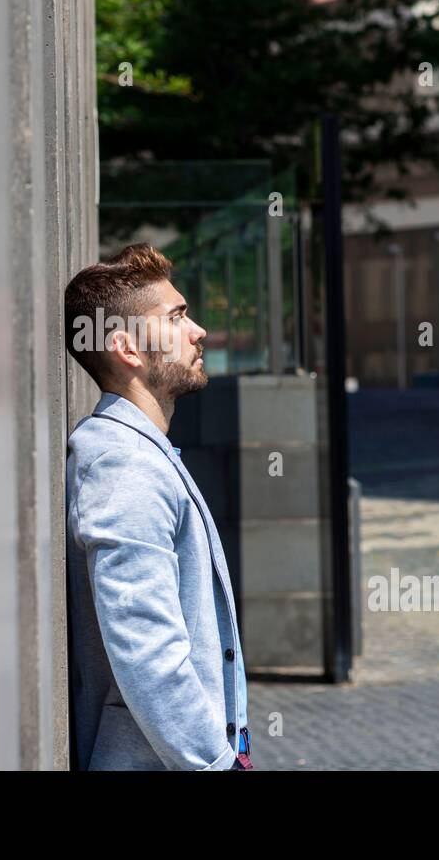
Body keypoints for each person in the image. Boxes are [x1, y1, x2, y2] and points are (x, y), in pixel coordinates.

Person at [64, 243, 252, 771]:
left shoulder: (139, 451)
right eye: (177, 317)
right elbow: (145, 644)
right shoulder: (124, 464)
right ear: (127, 349)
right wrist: (214, 764)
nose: (198, 331)